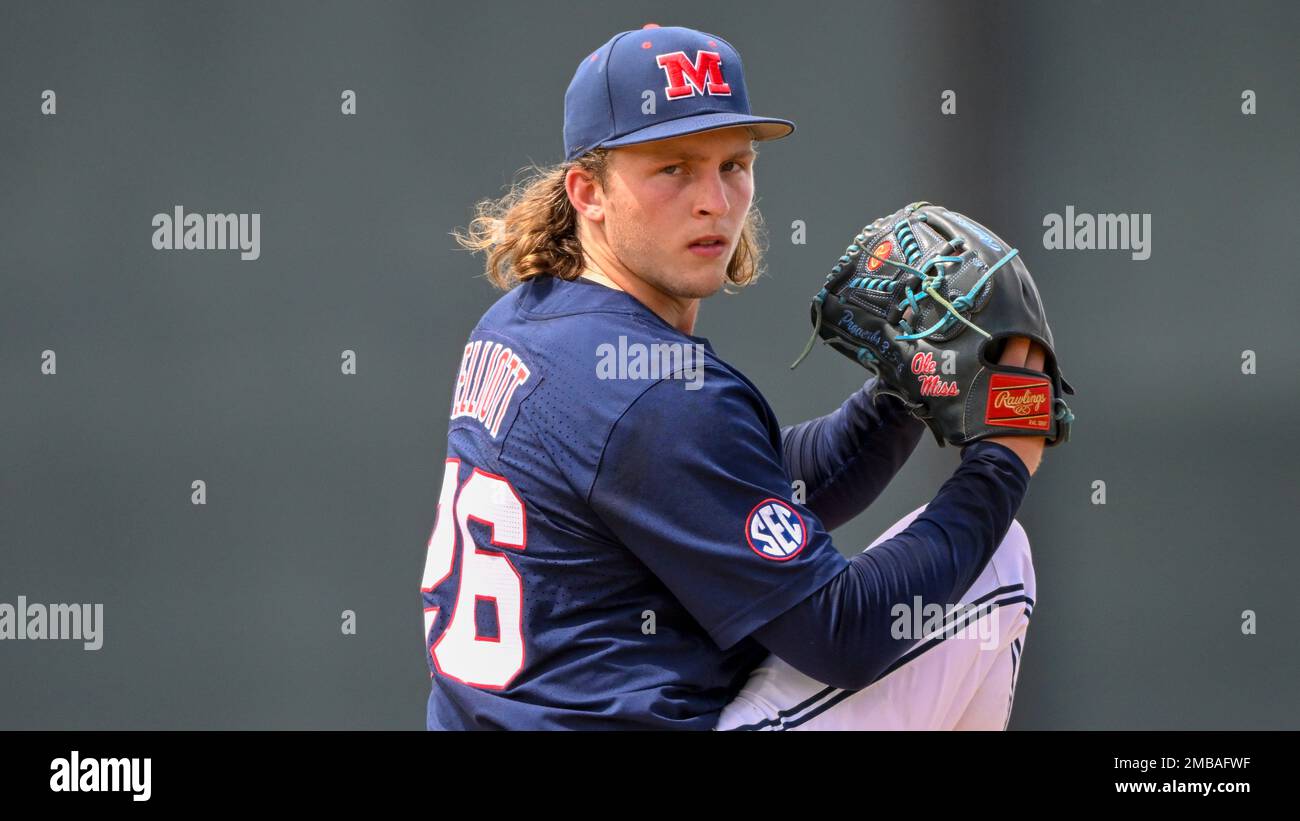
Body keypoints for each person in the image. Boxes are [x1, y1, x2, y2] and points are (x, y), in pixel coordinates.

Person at [424, 24, 1044, 730]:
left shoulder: (519, 322)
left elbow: (736, 488)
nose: (715, 200)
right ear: (586, 190)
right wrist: (1003, 458)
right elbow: (845, 633)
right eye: (674, 168)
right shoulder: (657, 398)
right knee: (1001, 563)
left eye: (734, 165)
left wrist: (900, 394)